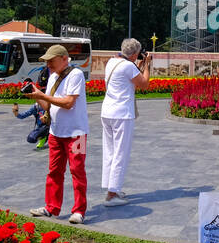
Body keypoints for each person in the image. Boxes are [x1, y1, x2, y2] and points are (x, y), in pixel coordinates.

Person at [27, 45, 89, 224]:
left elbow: (69, 102)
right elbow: (48, 106)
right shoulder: (53, 76)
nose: (48, 64)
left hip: (77, 133)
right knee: (54, 171)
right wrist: (36, 96)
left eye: (51, 61)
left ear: (63, 58)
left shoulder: (75, 74)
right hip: (56, 132)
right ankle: (51, 207)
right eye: (46, 61)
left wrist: (44, 97)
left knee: (77, 171)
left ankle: (79, 210)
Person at [101, 39, 152, 207]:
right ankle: (111, 194)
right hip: (122, 114)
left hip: (107, 111)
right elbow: (144, 85)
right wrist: (148, 65)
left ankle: (111, 187)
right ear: (135, 54)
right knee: (120, 153)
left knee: (110, 151)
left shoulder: (112, 61)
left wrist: (140, 63)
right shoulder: (128, 66)